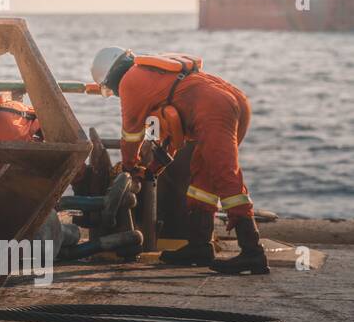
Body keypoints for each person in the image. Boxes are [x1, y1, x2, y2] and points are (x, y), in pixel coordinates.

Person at [90, 46, 266, 275]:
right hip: (231, 101)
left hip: (213, 110)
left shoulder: (130, 82)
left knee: (225, 177)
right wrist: (154, 169)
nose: (114, 94)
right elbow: (169, 135)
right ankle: (199, 247)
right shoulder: (152, 78)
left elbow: (131, 135)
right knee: (203, 179)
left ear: (110, 78)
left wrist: (130, 167)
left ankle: (253, 251)